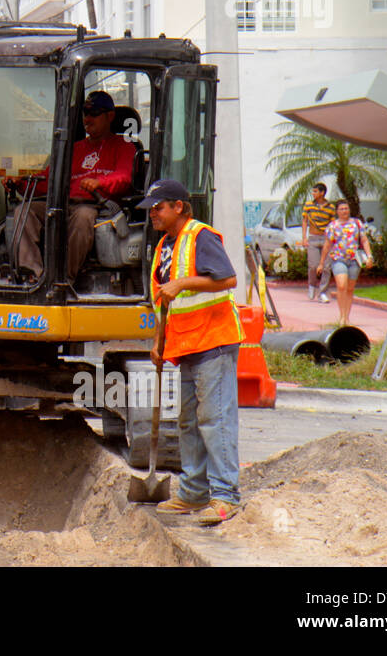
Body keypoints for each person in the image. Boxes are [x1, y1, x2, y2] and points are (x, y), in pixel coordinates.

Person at [139, 178, 244, 527]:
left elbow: (227, 279)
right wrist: (158, 340)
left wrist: (183, 282)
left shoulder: (201, 237)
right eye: (151, 209)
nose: (152, 214)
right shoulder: (165, 246)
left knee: (215, 420)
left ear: (178, 207)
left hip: (213, 341)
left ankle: (226, 496)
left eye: (158, 207)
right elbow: (163, 301)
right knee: (189, 422)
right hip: (186, 345)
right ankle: (193, 491)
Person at [10, 90, 134, 282]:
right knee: (24, 211)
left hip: (97, 206)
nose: (88, 119)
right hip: (64, 203)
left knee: (83, 216)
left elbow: (124, 178)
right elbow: (47, 180)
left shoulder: (123, 146)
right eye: (85, 113)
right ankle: (32, 275)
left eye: (94, 113)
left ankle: (62, 279)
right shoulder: (74, 149)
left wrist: (99, 183)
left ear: (110, 116)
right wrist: (20, 184)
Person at [317, 200, 372, 327]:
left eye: (346, 208)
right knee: (341, 286)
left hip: (354, 260)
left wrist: (369, 256)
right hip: (338, 259)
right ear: (337, 211)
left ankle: (347, 317)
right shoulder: (333, 226)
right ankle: (341, 316)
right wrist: (321, 263)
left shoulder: (357, 223)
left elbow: (364, 240)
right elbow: (327, 245)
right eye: (341, 209)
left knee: (350, 288)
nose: (344, 211)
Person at [301, 183, 336, 303]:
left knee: (326, 267)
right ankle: (312, 285)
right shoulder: (308, 205)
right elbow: (305, 221)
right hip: (313, 238)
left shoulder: (330, 207)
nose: (313, 193)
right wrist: (304, 238)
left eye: (315, 191)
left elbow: (332, 224)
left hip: (326, 239)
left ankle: (322, 293)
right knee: (313, 265)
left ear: (322, 193)